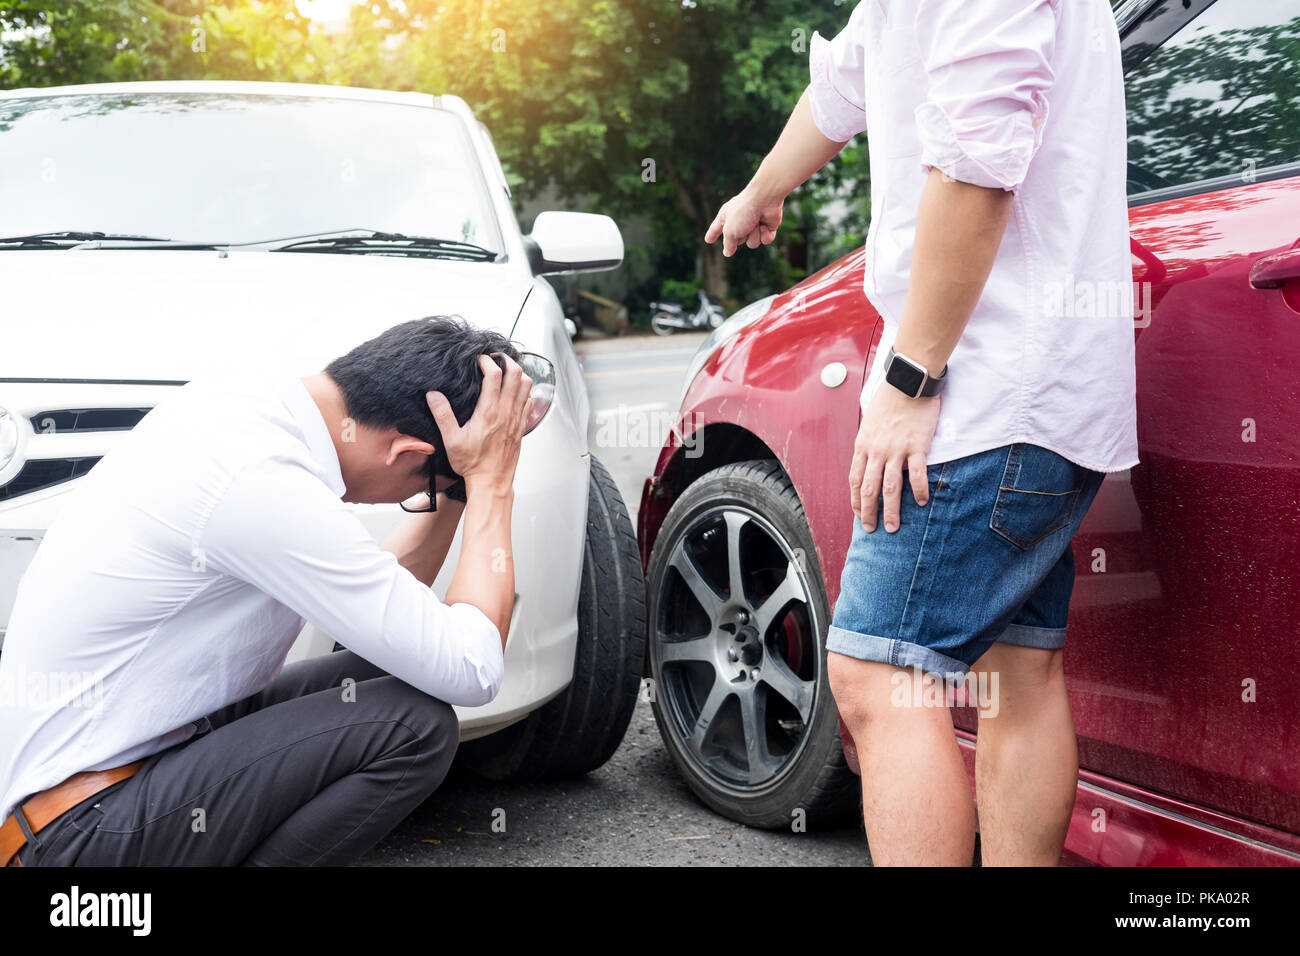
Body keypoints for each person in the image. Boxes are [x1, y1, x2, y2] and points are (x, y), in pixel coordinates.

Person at [706, 0, 1137, 865]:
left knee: (880, 677)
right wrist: (765, 186)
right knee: (1021, 671)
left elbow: (977, 168)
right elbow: (844, 81)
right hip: (1039, 391)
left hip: (982, 390)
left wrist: (911, 376)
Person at [0, 315, 534, 866]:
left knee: (380, 675)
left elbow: (384, 614)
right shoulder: (259, 480)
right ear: (403, 452)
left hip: (112, 777)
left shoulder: (247, 411)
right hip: (75, 839)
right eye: (428, 489)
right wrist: (492, 484)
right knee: (413, 726)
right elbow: (472, 669)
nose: (431, 498)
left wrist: (459, 485)